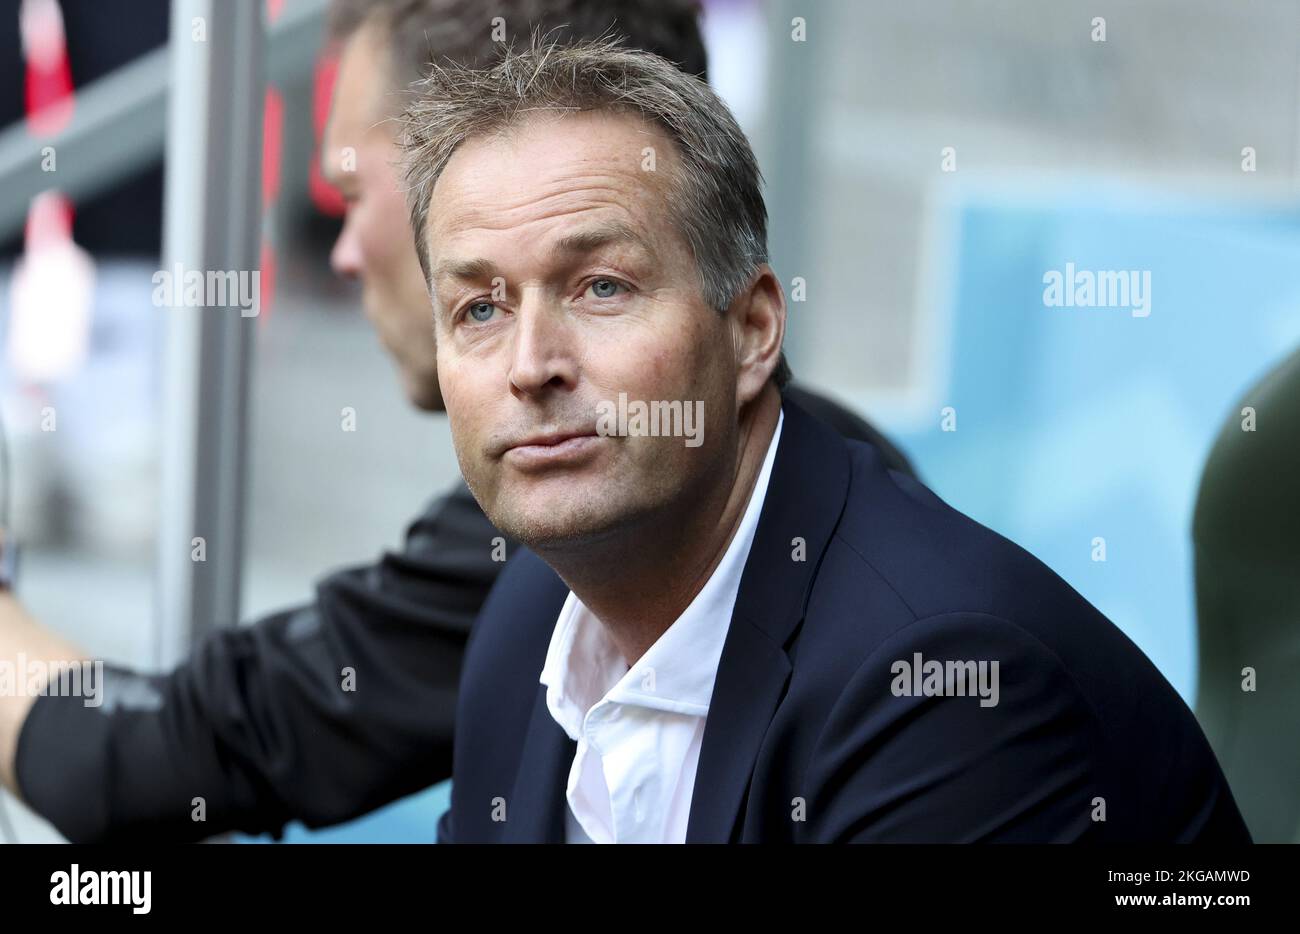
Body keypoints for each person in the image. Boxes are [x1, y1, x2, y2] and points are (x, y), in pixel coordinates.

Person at [0, 0, 913, 842]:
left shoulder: (615, 523)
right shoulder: (531, 595)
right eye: (483, 306)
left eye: (601, 285)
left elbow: (159, 755)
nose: (347, 253)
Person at [402, 35, 1252, 843]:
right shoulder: (528, 626)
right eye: (479, 307)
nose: (531, 366)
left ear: (752, 329)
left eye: (601, 287)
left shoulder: (944, 682)